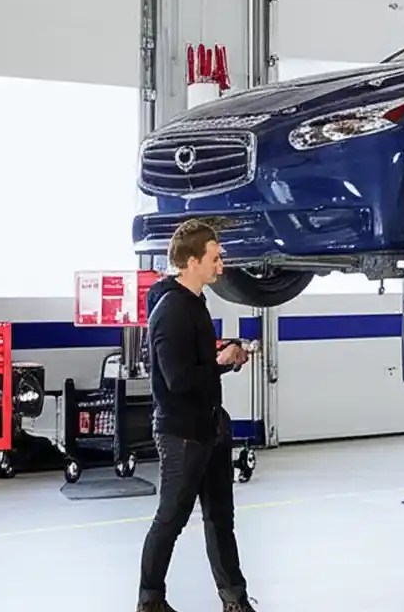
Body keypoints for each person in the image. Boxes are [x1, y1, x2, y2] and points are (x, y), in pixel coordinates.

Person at [137, 219, 256, 612]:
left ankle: (234, 599)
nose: (221, 266)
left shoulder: (194, 304)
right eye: (215, 258)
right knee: (171, 518)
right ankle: (150, 601)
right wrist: (220, 362)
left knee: (221, 519)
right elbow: (178, 380)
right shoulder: (171, 311)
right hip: (183, 433)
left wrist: (226, 354)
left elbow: (197, 363)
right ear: (190, 262)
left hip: (211, 427)